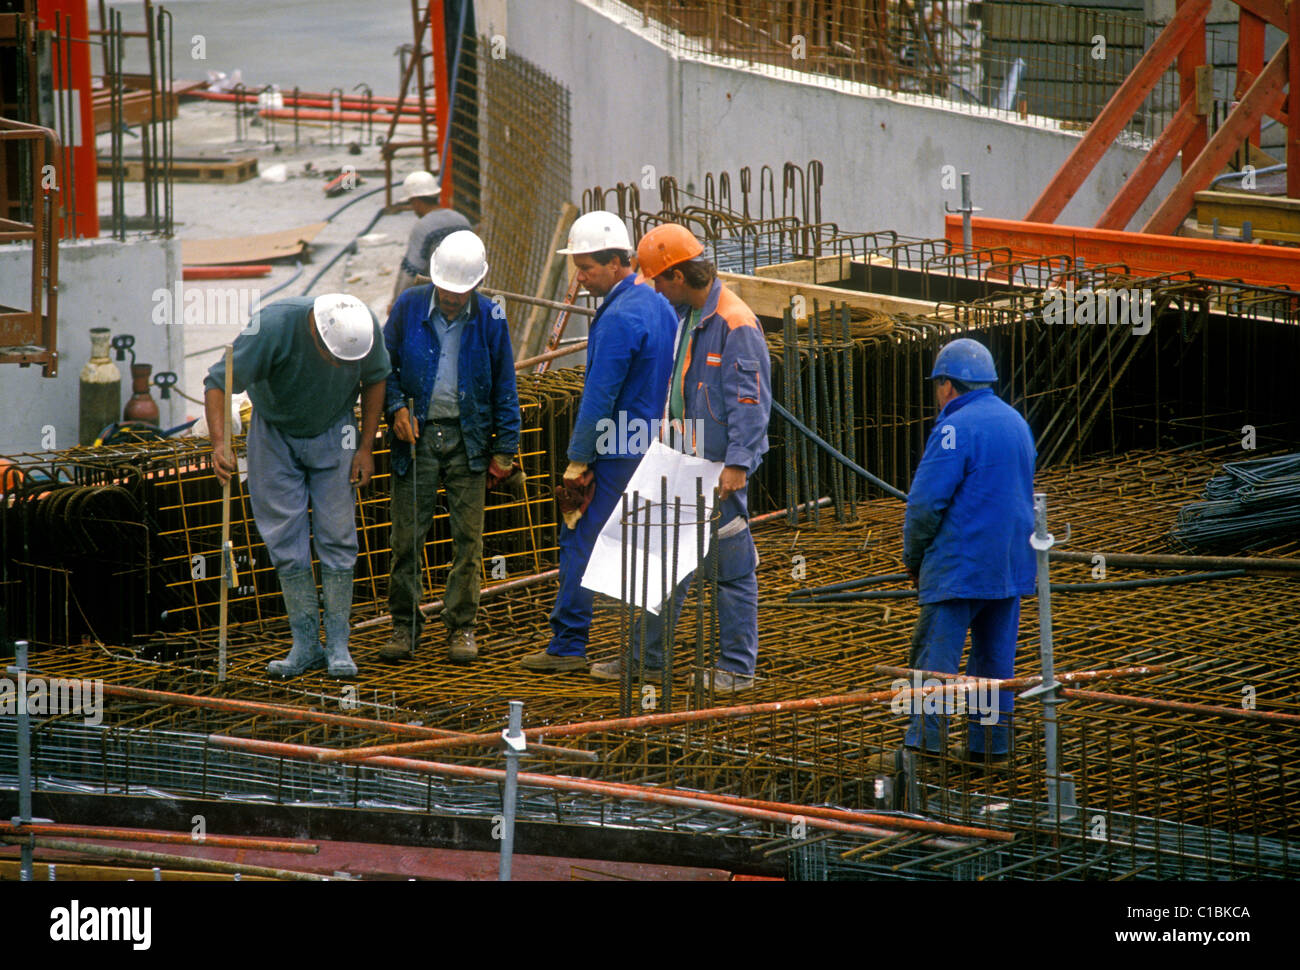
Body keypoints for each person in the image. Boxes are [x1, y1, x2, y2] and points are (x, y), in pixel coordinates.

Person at [590, 223, 772, 693]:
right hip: (681, 460)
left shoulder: (734, 322)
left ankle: (735, 668)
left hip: (716, 471)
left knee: (731, 570)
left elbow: (749, 403)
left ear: (677, 274)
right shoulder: (690, 315)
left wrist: (737, 464)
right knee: (661, 560)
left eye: (659, 280)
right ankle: (645, 659)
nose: (656, 289)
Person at [520, 211, 677, 672]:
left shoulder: (619, 318)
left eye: (587, 268)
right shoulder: (659, 305)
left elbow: (598, 397)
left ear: (616, 263)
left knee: (579, 536)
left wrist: (577, 461)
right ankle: (646, 653)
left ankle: (568, 645)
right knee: (649, 545)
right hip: (652, 442)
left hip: (616, 449)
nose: (581, 278)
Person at [205, 294, 390, 678]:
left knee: (339, 534)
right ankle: (305, 643)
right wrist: (220, 444)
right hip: (274, 430)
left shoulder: (362, 328)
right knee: (284, 537)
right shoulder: (272, 327)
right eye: (335, 358)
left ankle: (338, 643)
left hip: (337, 428)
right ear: (318, 336)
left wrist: (366, 448)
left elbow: (376, 378)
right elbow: (218, 381)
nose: (341, 365)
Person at [890, 337, 1036, 765]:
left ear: (948, 386)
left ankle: (923, 746)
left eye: (938, 386)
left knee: (936, 661)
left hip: (959, 566)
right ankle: (989, 746)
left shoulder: (954, 428)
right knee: (993, 664)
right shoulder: (1015, 422)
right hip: (1010, 566)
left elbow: (924, 504)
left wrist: (913, 559)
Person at [380, 230, 520, 663]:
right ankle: (405, 626)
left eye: (462, 292)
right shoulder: (408, 306)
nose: (453, 300)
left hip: (469, 440)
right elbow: (384, 366)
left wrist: (504, 452)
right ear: (434, 279)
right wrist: (395, 407)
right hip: (416, 438)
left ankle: (461, 627)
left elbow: (504, 386)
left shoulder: (492, 317)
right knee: (407, 538)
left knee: (468, 541)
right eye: (446, 290)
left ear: (477, 285)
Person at [389, 170, 472, 310]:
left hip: (437, 300)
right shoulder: (462, 220)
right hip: (466, 295)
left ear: (416, 201)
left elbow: (410, 272)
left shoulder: (424, 227)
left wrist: (396, 304)